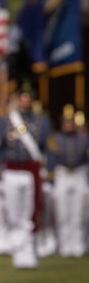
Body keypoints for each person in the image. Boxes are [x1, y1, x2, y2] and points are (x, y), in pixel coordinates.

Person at [0, 81, 51, 269]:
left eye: (28, 98)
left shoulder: (42, 122)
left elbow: (47, 149)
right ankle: (18, 252)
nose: (25, 101)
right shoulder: (6, 122)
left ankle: (28, 252)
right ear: (17, 100)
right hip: (11, 172)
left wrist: (48, 175)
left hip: (30, 173)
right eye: (22, 98)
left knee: (29, 213)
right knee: (13, 214)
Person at [45, 105, 87, 259]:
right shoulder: (55, 139)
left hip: (79, 174)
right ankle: (64, 245)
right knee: (62, 213)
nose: (68, 126)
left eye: (70, 123)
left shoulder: (84, 138)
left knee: (78, 213)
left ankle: (78, 245)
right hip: (62, 173)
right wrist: (50, 180)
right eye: (66, 123)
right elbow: (51, 160)